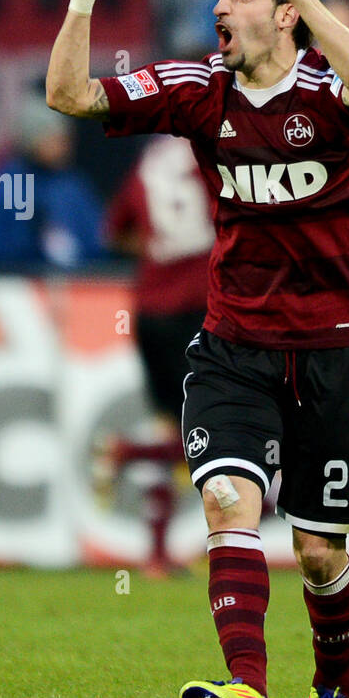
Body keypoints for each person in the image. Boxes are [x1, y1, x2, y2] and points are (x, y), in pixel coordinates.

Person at [46, 0, 349, 698]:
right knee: (227, 499)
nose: (219, 10)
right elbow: (70, 95)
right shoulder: (202, 89)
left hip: (336, 343)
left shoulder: (329, 91)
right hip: (233, 338)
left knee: (315, 552)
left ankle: (333, 684)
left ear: (284, 14)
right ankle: (248, 689)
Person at [94, 132, 215, 577]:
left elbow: (115, 232)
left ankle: (156, 556)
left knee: (170, 425)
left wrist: (159, 247)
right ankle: (126, 453)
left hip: (149, 309)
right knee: (218, 431)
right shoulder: (217, 147)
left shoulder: (149, 161)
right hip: (199, 307)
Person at [0, 97, 109, 272]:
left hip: (79, 288)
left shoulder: (73, 186)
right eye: (56, 139)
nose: (65, 147)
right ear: (32, 140)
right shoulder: (0, 187)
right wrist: (34, 240)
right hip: (18, 289)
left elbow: (99, 241)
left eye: (66, 140)